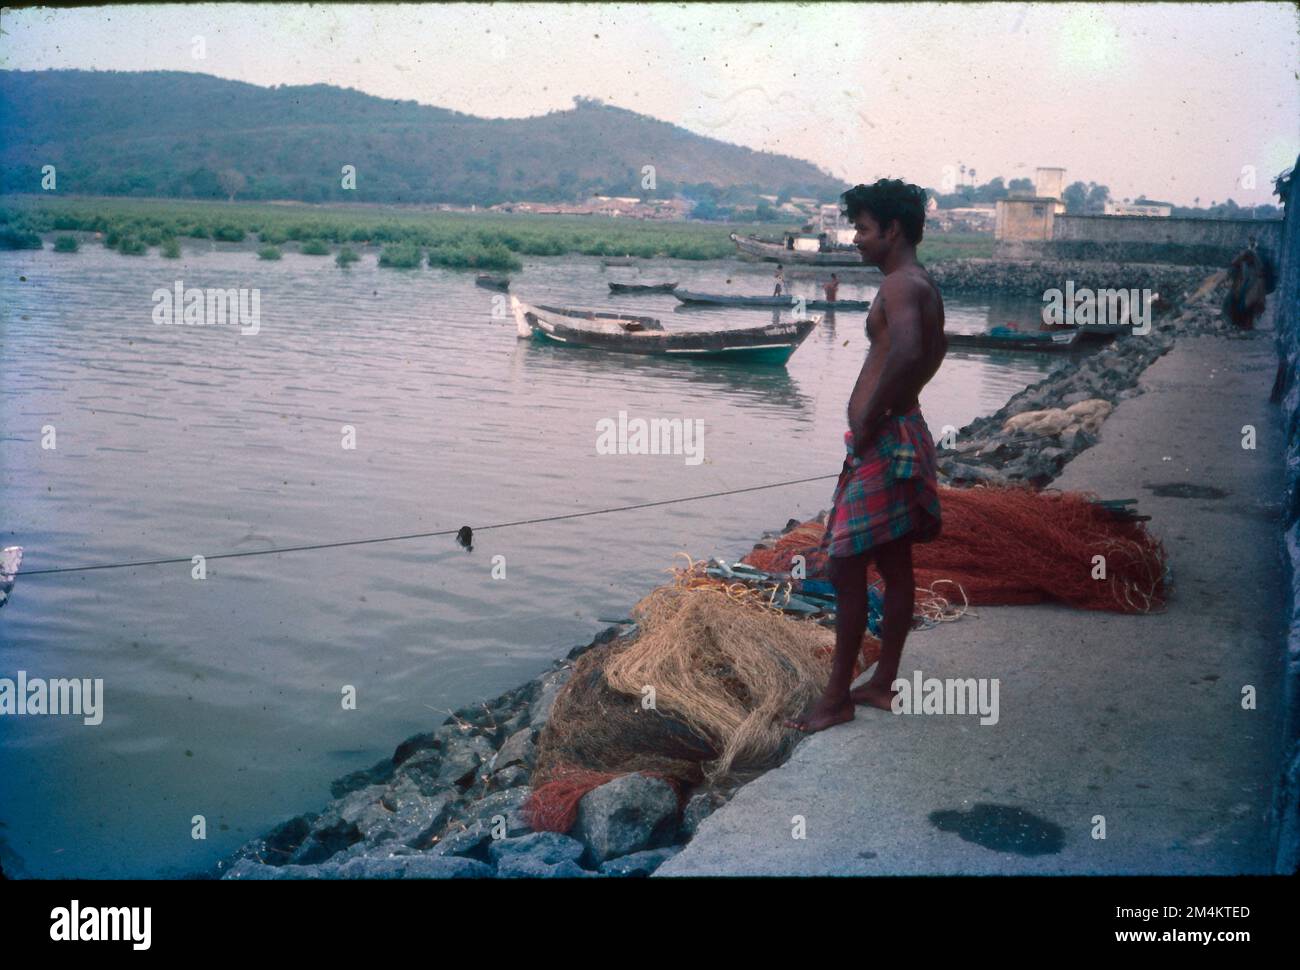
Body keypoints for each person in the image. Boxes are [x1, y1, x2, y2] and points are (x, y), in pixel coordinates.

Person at [785, 178, 947, 733]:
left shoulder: (901, 285)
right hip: (902, 433)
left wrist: (873, 417)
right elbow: (933, 353)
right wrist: (895, 408)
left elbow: (906, 349)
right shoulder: (920, 283)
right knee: (896, 564)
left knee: (848, 563)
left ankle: (835, 700)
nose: (856, 239)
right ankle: (881, 683)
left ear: (892, 229)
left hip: (887, 441)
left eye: (863, 228)